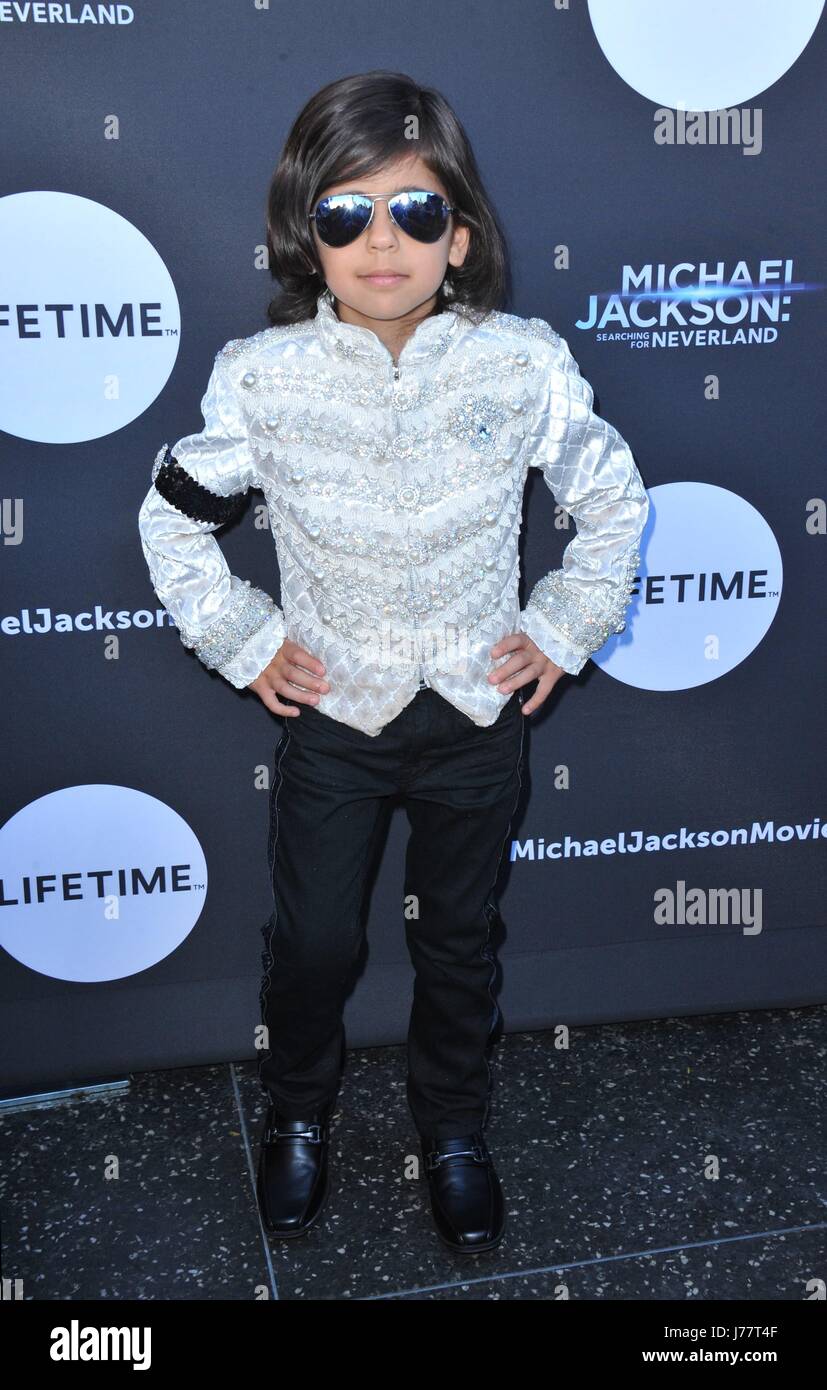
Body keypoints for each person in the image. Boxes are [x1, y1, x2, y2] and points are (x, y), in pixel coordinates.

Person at [137, 70, 649, 1255]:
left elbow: (611, 501)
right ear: (302, 234)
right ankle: (297, 1115)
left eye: (415, 213)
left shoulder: (521, 364)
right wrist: (244, 637)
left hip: (478, 715)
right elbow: (170, 516)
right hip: (336, 721)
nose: (382, 242)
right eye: (345, 214)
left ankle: (454, 1131)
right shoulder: (261, 381)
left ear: (458, 235)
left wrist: (567, 625)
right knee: (314, 941)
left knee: (458, 939)